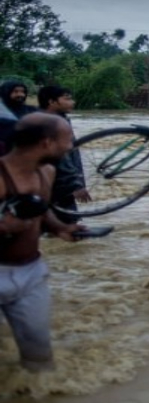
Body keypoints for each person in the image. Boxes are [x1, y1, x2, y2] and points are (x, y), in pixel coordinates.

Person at [0, 114, 87, 372]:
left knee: (39, 357)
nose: (70, 147)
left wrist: (60, 228)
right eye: (67, 140)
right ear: (47, 143)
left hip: (31, 273)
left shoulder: (47, 173)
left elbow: (42, 210)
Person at [36, 85, 90, 223]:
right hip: (57, 184)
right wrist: (75, 184)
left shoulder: (57, 119)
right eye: (67, 99)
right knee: (65, 224)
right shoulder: (51, 123)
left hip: (55, 182)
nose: (72, 102)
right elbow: (62, 157)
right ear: (52, 102)